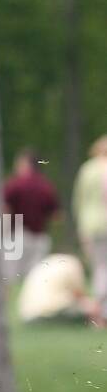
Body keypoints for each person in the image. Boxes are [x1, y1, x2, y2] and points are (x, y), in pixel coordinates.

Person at [2, 149, 60, 282]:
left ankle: (3, 302)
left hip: (17, 235)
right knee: (34, 280)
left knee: (7, 277)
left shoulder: (15, 184)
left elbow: (4, 208)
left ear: (25, 164)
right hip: (39, 237)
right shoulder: (46, 186)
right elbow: (56, 215)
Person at [72, 136, 107, 323]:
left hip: (90, 225)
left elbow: (79, 200)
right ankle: (101, 312)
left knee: (100, 268)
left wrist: (80, 226)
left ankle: (99, 312)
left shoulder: (87, 169)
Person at [18, 253, 102, 327]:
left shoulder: (51, 261)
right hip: (48, 314)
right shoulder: (74, 264)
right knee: (85, 312)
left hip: (28, 317)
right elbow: (80, 297)